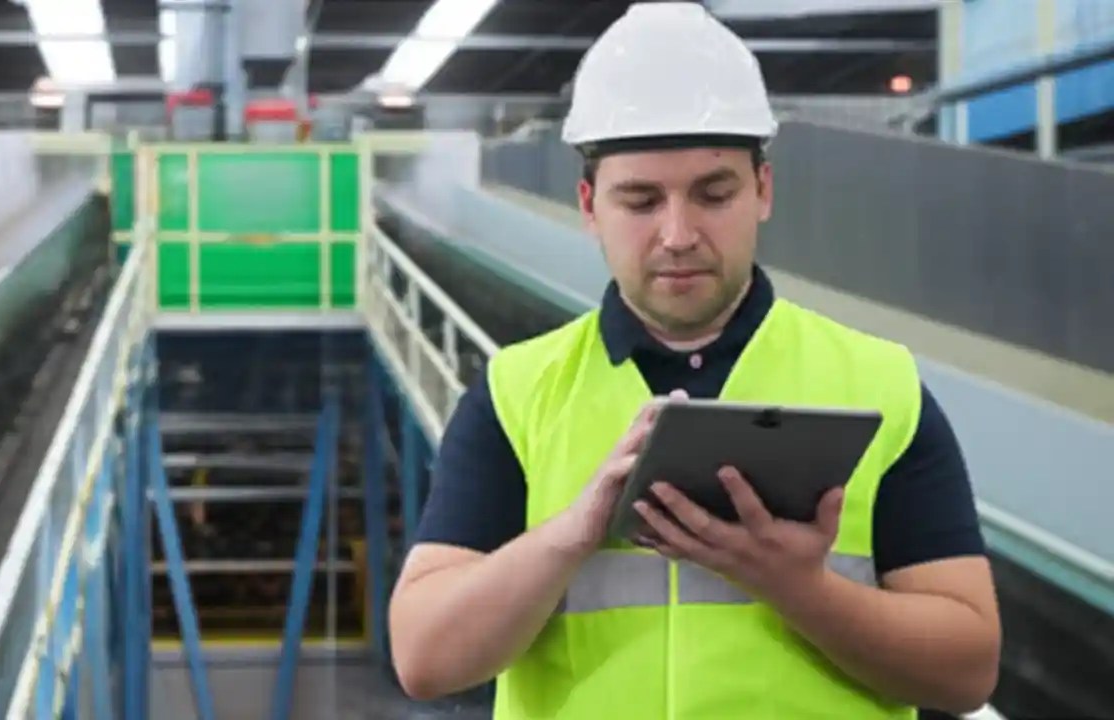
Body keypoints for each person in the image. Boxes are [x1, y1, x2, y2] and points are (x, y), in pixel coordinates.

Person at [386, 4, 1002, 719]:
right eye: (640, 201)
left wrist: (797, 587)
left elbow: (968, 674)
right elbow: (425, 659)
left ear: (763, 190)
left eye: (713, 195)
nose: (678, 234)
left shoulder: (879, 386)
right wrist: (570, 535)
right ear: (589, 205)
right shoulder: (516, 395)